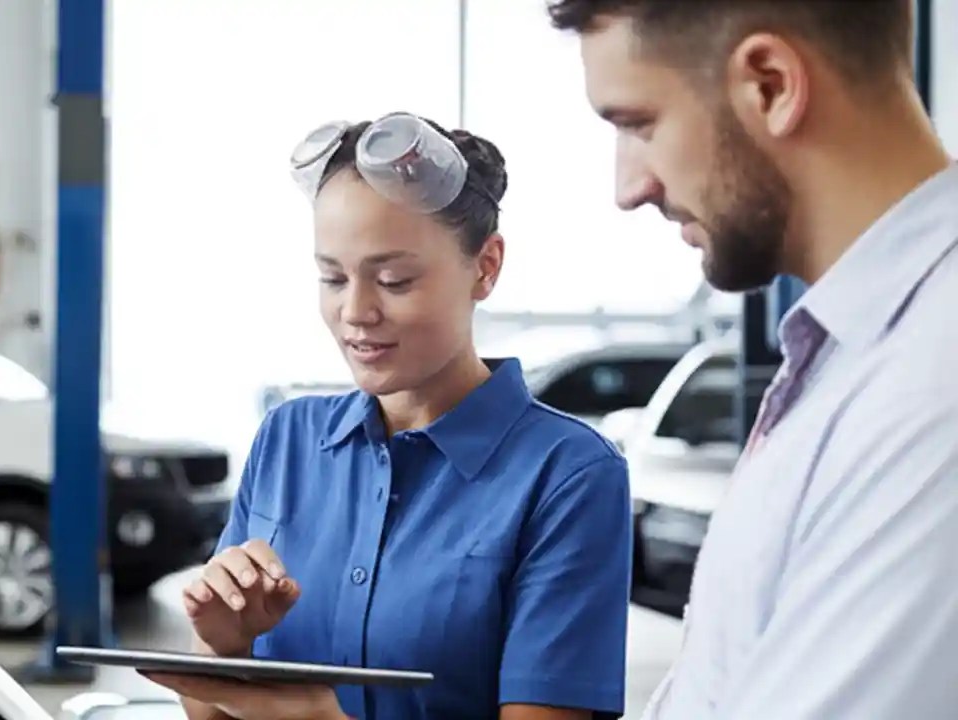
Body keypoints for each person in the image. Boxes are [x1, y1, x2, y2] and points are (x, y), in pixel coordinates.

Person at [143, 113, 633, 719]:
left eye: (394, 280)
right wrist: (223, 643)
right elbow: (210, 715)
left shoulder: (568, 475)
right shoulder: (288, 441)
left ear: (486, 266)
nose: (356, 312)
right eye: (332, 277)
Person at [547, 1, 958, 717]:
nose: (628, 188)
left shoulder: (933, 384)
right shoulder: (852, 353)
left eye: (638, 124)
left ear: (770, 84)